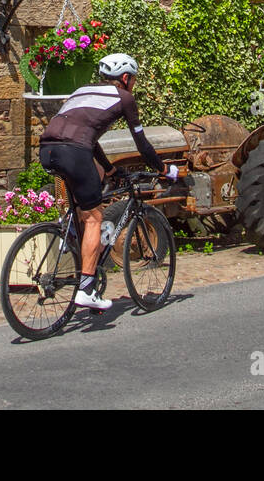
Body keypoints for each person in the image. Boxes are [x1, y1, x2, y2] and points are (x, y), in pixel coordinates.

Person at [38, 53, 178, 310]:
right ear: (125, 78)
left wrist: (110, 169)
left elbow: (87, 140)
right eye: (133, 79)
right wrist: (163, 169)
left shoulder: (81, 91)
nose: (133, 84)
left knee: (84, 209)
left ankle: (68, 234)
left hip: (48, 150)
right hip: (74, 152)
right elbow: (142, 143)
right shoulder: (124, 97)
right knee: (94, 218)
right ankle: (87, 289)